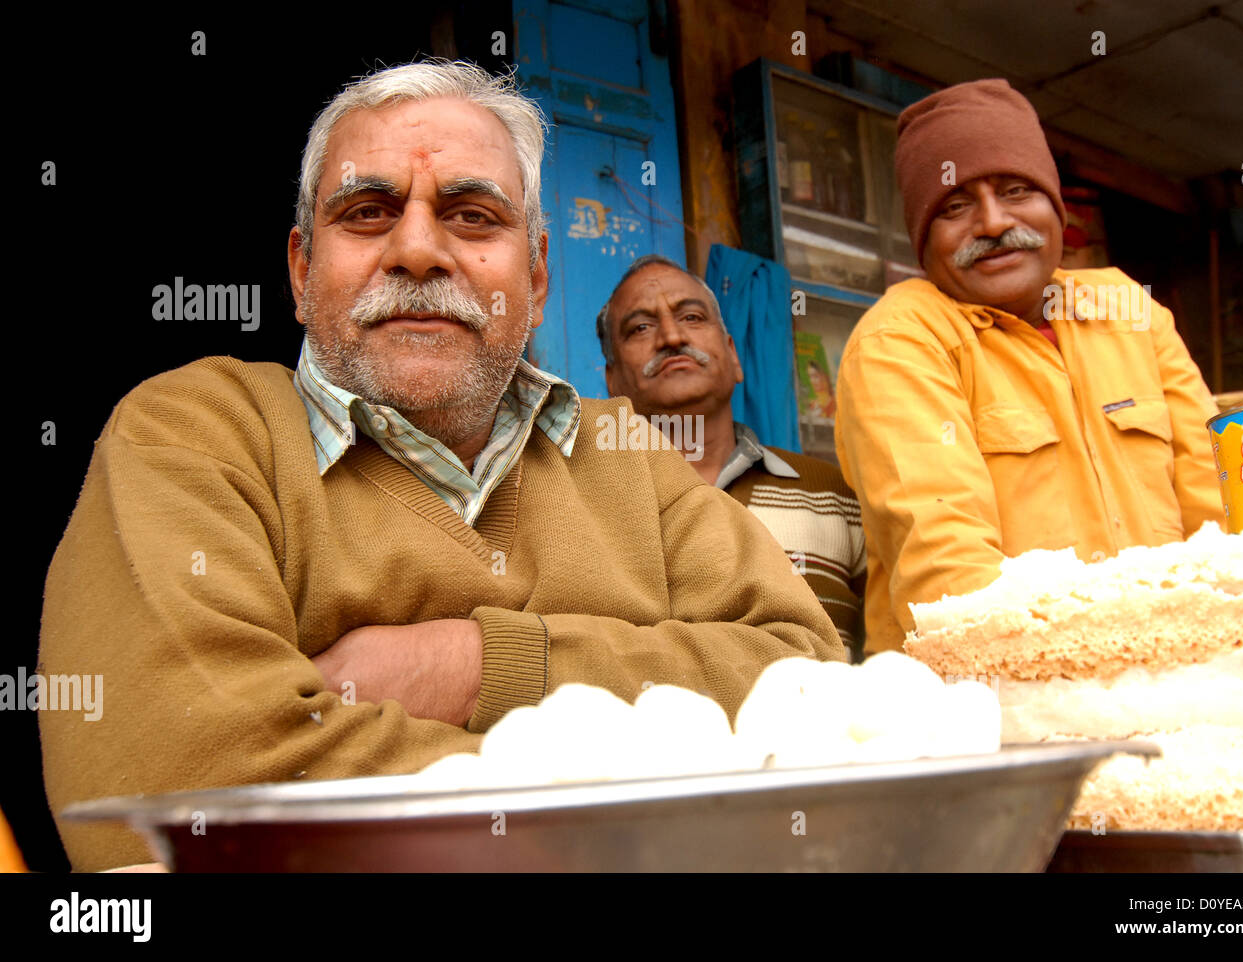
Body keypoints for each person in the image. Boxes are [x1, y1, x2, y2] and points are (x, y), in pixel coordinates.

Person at [39, 62, 844, 871]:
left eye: (469, 215)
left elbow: (808, 688)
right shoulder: (197, 435)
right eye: (366, 212)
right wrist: (645, 759)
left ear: (534, 278)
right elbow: (176, 798)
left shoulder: (629, 455)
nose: (417, 250)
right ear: (300, 269)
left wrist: (477, 666)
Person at [834, 78, 1223, 654]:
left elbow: (1218, 508)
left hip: (1181, 664)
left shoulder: (1128, 310)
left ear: (1054, 207)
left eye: (1016, 190)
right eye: (955, 206)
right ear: (924, 240)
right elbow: (948, 575)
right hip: (997, 696)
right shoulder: (899, 341)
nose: (991, 223)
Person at [598, 255, 866, 661]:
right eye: (640, 327)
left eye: (691, 317)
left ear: (733, 356)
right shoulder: (587, 507)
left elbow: (891, 652)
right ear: (612, 380)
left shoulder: (835, 496)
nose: (671, 337)